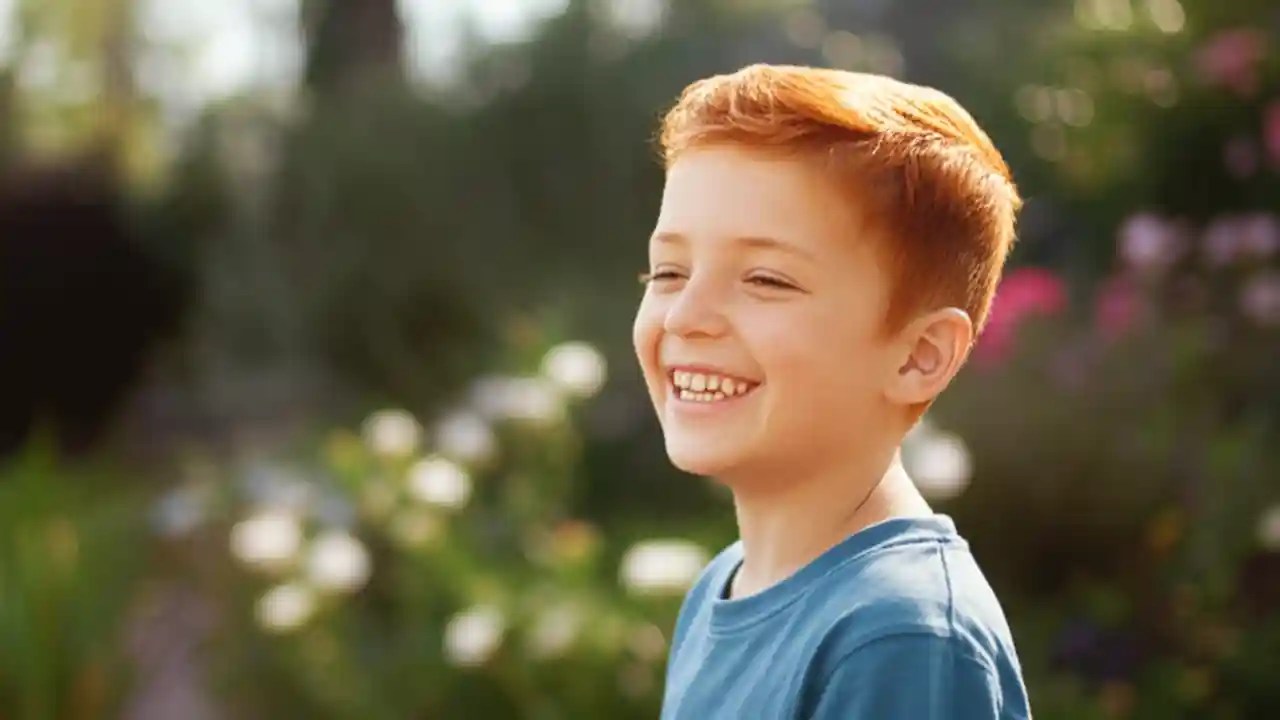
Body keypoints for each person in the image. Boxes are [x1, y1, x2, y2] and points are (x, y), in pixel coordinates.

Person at [632, 64, 1032, 719]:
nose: (683, 316)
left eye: (765, 279)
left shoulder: (900, 635)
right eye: (669, 271)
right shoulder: (721, 588)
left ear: (918, 356)